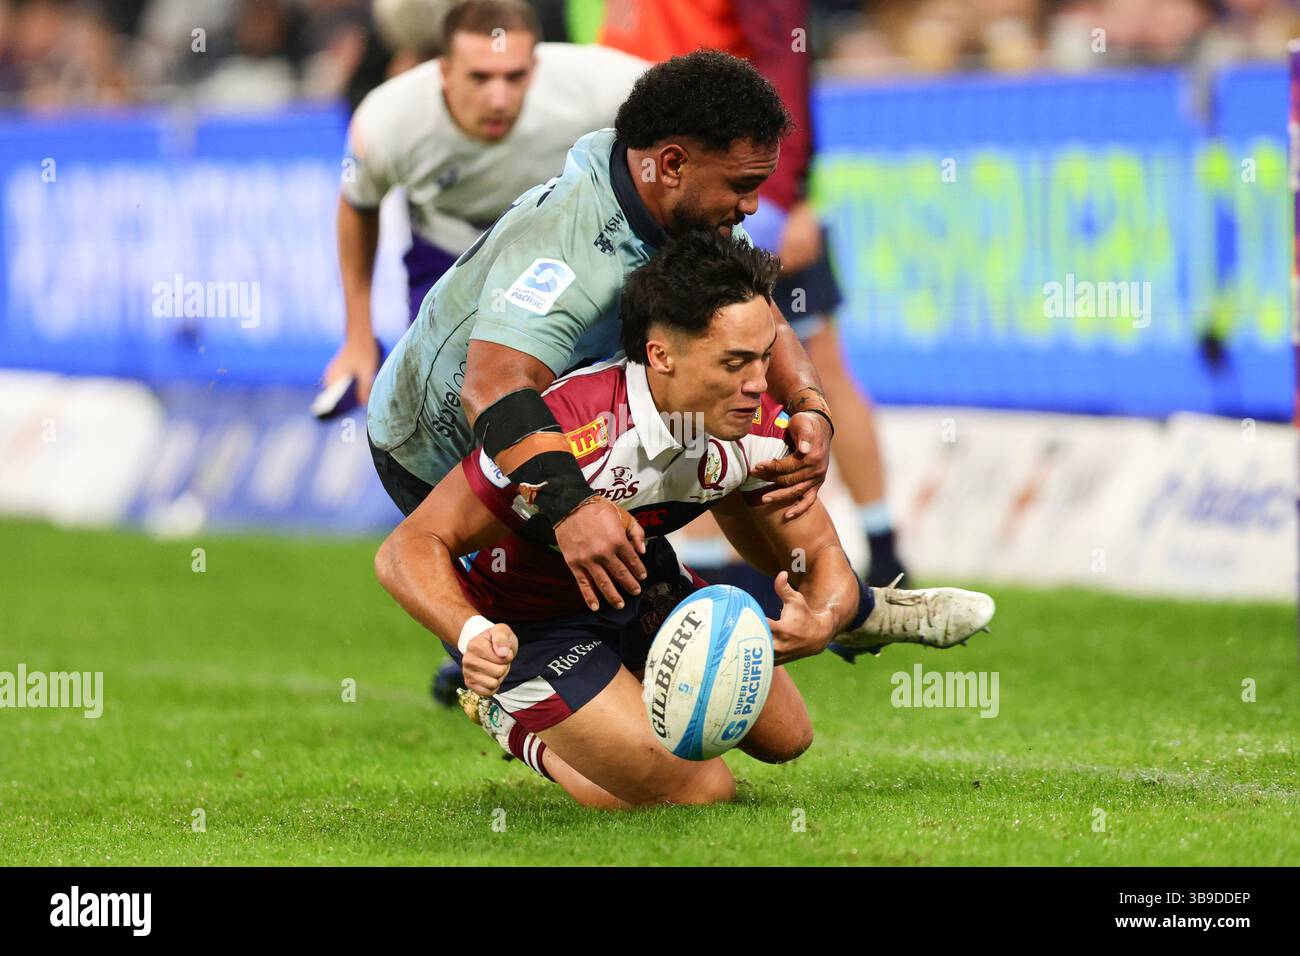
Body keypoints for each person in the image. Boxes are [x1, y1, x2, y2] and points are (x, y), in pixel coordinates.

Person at [373, 231, 995, 808]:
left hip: (640, 583)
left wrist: (824, 618)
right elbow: (405, 548)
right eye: (734, 363)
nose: (759, 386)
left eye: (765, 358)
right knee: (698, 790)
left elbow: (821, 560)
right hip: (526, 624)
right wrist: (471, 633)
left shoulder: (754, 427)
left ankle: (865, 617)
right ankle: (510, 714)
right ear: (661, 356)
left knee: (788, 737)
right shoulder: (572, 431)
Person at [365, 49, 840, 701]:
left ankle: (843, 604)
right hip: (437, 441)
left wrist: (809, 405)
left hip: (563, 431)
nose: (753, 206)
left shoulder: (667, 195)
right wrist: (572, 507)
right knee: (548, 652)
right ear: (672, 165)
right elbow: (494, 387)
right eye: (740, 185)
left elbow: (763, 320)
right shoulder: (570, 242)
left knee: (767, 723)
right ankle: (497, 672)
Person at [600, 0, 910, 592]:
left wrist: (784, 196)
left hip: (741, 197)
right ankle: (717, 565)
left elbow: (784, 61)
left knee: (812, 366)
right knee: (690, 368)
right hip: (668, 191)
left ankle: (881, 548)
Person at [315, 0, 647, 416]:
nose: (498, 99)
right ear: (444, 72)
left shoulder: (603, 82)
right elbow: (358, 205)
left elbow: (689, 111)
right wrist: (358, 337)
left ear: (535, 65)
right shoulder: (387, 120)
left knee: (565, 399)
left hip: (563, 247)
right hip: (447, 255)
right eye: (480, 77)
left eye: (514, 77)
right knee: (435, 413)